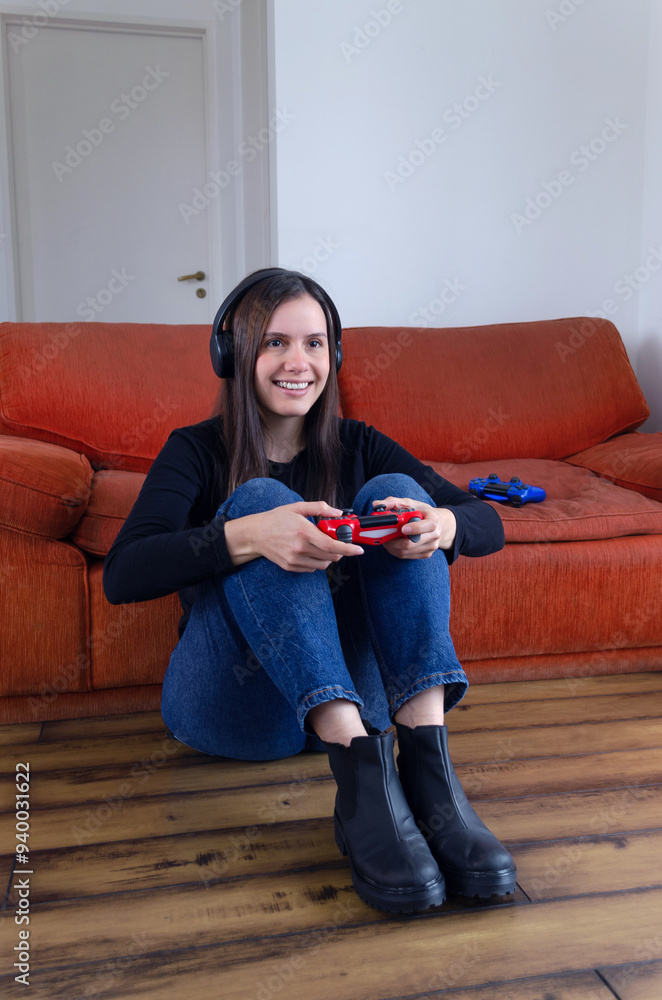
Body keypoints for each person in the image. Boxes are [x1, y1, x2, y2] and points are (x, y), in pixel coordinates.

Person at [104, 268, 516, 914]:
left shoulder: (360, 444)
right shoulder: (196, 450)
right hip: (235, 709)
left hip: (360, 702)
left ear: (335, 356)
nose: (298, 362)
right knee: (263, 502)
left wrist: (442, 525)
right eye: (275, 343)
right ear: (234, 354)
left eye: (315, 343)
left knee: (403, 499)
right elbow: (124, 573)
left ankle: (424, 778)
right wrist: (248, 535)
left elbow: (485, 520)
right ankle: (364, 783)